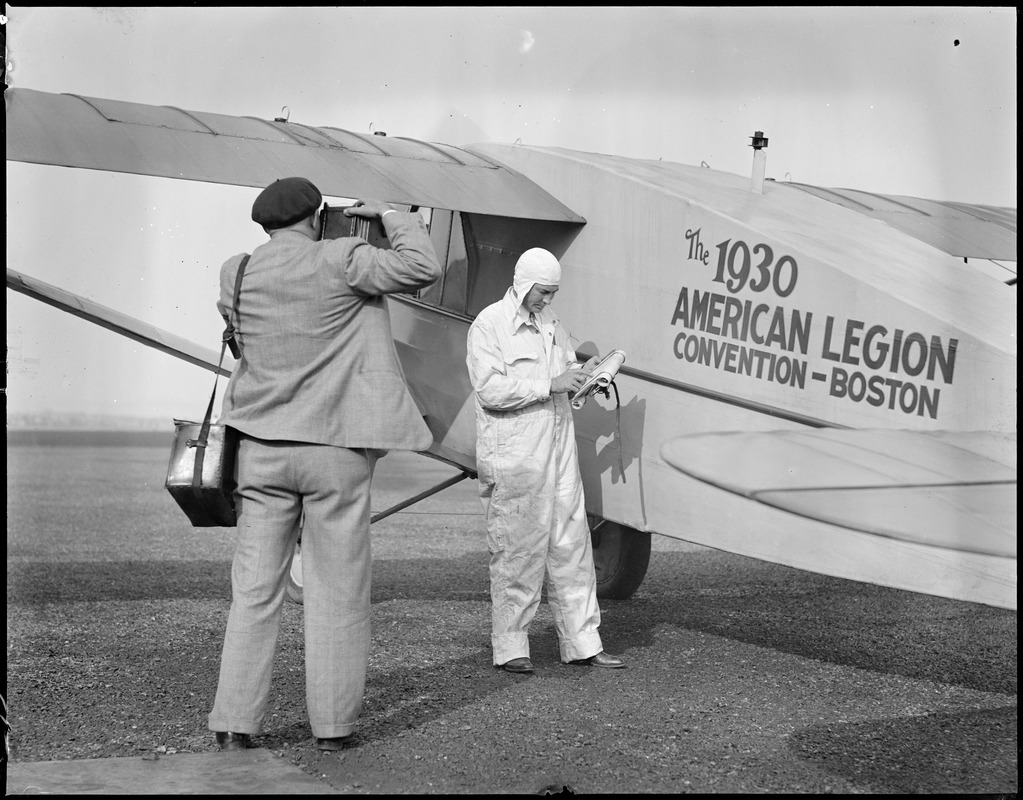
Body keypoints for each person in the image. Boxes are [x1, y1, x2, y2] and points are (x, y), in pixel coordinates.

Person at [208, 177, 441, 751]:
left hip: (261, 454)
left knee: (255, 592)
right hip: (335, 452)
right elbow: (421, 266)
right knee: (336, 591)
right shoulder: (343, 259)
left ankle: (235, 724)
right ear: (317, 216)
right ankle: (333, 727)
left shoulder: (235, 271)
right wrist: (386, 215)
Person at [466, 247, 626, 674]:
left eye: (553, 293)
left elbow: (561, 370)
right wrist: (550, 383)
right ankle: (511, 646)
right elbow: (489, 390)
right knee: (517, 550)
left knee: (573, 547)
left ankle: (583, 643)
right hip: (516, 458)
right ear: (522, 285)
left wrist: (584, 368)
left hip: (559, 454)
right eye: (542, 292)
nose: (547, 300)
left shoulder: (552, 324)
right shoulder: (489, 325)